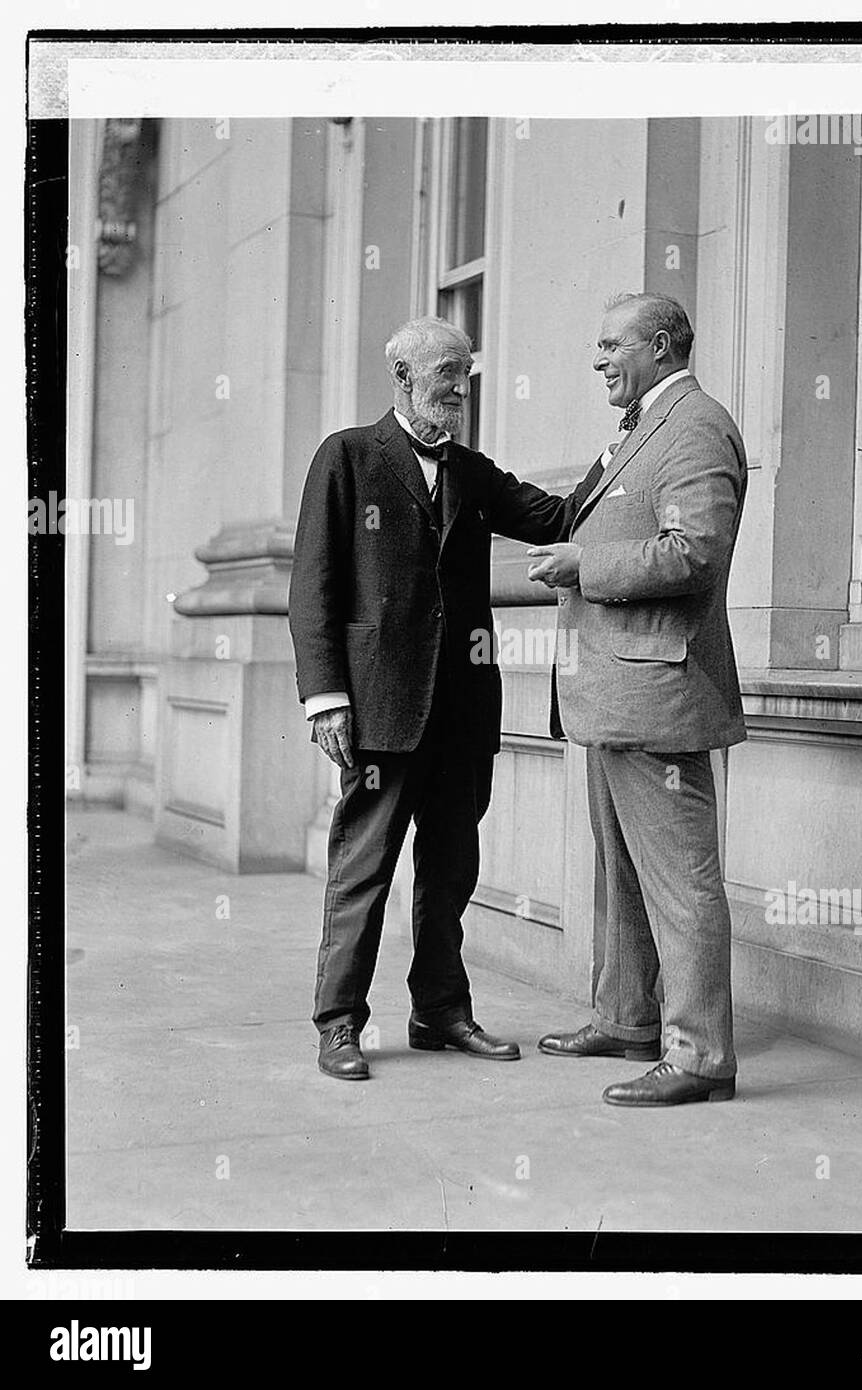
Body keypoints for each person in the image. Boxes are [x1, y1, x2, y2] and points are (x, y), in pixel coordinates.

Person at [289, 316, 584, 1082]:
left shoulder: (471, 470)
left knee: (450, 871)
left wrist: (626, 453)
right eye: (447, 370)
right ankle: (339, 1024)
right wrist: (326, 697)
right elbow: (312, 586)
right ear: (401, 375)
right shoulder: (347, 457)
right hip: (380, 710)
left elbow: (553, 516)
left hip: (461, 714)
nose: (460, 386)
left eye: (466, 372)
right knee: (364, 870)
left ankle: (440, 1011)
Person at [527, 292, 748, 1107]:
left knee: (679, 880)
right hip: (617, 691)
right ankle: (625, 1018)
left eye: (610, 344)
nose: (597, 361)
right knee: (619, 868)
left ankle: (699, 1057)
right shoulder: (643, 426)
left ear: (659, 345)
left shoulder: (694, 424)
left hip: (658, 692)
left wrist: (584, 566)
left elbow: (694, 552)